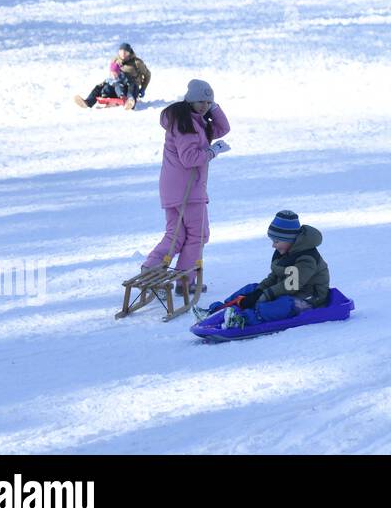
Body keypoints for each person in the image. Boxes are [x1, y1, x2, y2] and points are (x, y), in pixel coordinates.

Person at [140, 81, 231, 295]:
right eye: (201, 101)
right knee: (199, 235)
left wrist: (214, 107)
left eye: (209, 102)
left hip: (176, 188)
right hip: (188, 190)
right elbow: (190, 158)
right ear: (190, 99)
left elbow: (223, 128)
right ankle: (185, 281)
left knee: (177, 234)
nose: (204, 106)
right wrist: (213, 151)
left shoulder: (190, 122)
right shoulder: (188, 126)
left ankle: (151, 269)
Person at [202, 211, 331, 329]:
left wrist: (266, 295)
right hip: (289, 290)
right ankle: (221, 310)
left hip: (308, 298)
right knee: (252, 288)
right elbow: (274, 277)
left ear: (290, 239)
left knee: (281, 304)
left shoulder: (306, 258)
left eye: (277, 241)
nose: (273, 245)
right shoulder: (284, 251)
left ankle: (241, 319)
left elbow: (291, 285)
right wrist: (259, 291)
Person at [75, 43, 152, 109]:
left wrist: (143, 88)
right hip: (118, 86)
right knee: (99, 87)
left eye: (125, 51)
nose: (123, 53)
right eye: (121, 51)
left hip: (132, 87)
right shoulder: (115, 60)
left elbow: (148, 74)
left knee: (132, 88)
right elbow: (113, 75)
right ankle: (87, 103)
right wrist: (104, 84)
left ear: (129, 52)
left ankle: (130, 103)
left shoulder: (137, 62)